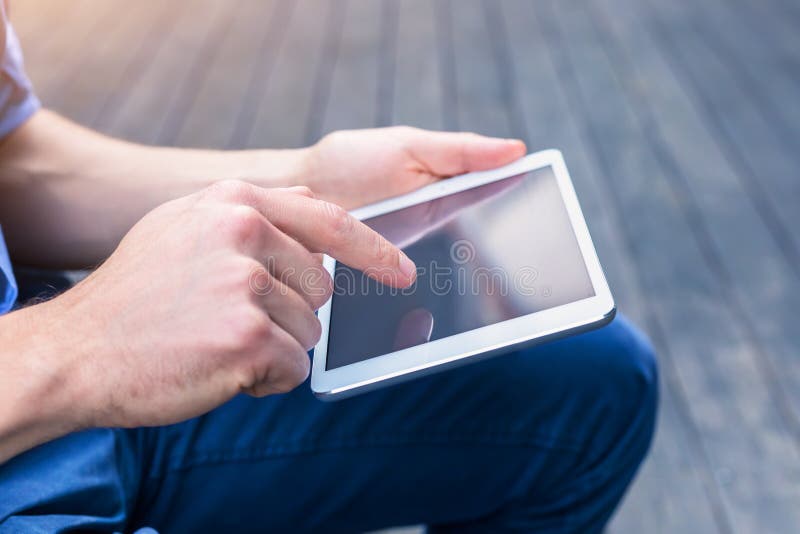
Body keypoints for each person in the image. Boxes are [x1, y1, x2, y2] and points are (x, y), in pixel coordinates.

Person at [0, 4, 657, 533]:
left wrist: (305, 187)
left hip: (81, 402)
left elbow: (15, 159)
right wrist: (80, 345)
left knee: (591, 382)